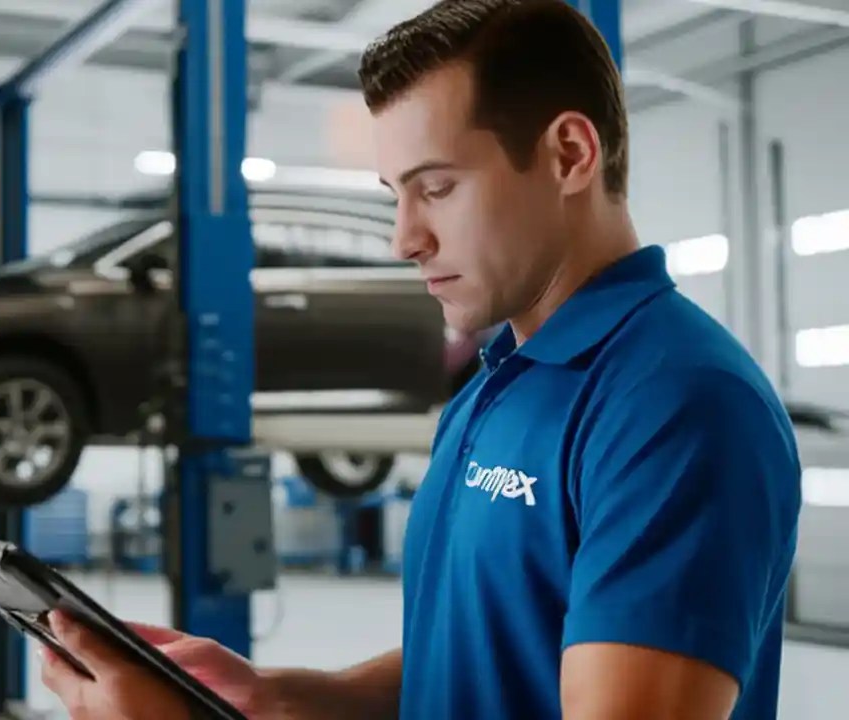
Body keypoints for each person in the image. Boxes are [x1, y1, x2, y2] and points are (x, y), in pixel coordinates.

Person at [40, 0, 803, 717]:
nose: (404, 238)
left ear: (569, 154)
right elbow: (489, 654)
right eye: (394, 195)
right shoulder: (494, 387)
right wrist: (277, 700)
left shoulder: (677, 405)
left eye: (436, 187)